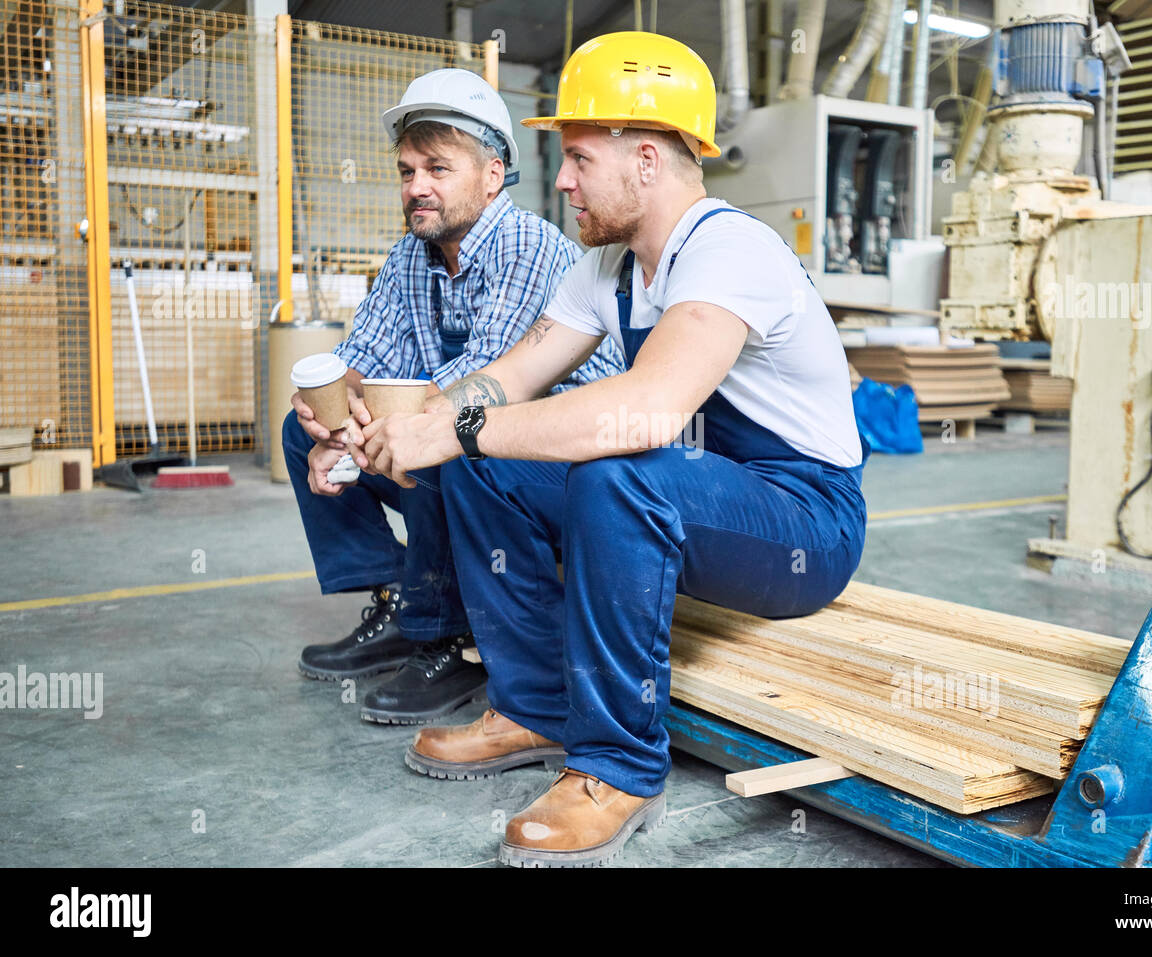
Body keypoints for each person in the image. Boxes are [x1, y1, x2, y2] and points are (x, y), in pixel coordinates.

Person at [341, 32, 867, 866]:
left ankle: (619, 766)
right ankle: (536, 706)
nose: (560, 180)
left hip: (804, 517)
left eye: (578, 157)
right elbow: (508, 381)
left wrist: (457, 424)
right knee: (485, 459)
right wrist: (411, 425)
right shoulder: (610, 270)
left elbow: (649, 410)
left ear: (648, 160)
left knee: (618, 469)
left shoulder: (731, 249)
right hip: (700, 488)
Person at [286, 67, 622, 725]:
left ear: (493, 175)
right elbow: (362, 361)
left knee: (445, 441)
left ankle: (444, 640)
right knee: (302, 429)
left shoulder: (526, 244)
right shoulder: (413, 254)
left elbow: (485, 385)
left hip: (559, 466)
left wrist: (369, 426)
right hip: (461, 432)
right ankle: (400, 608)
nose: (417, 188)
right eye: (408, 171)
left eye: (438, 168)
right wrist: (331, 423)